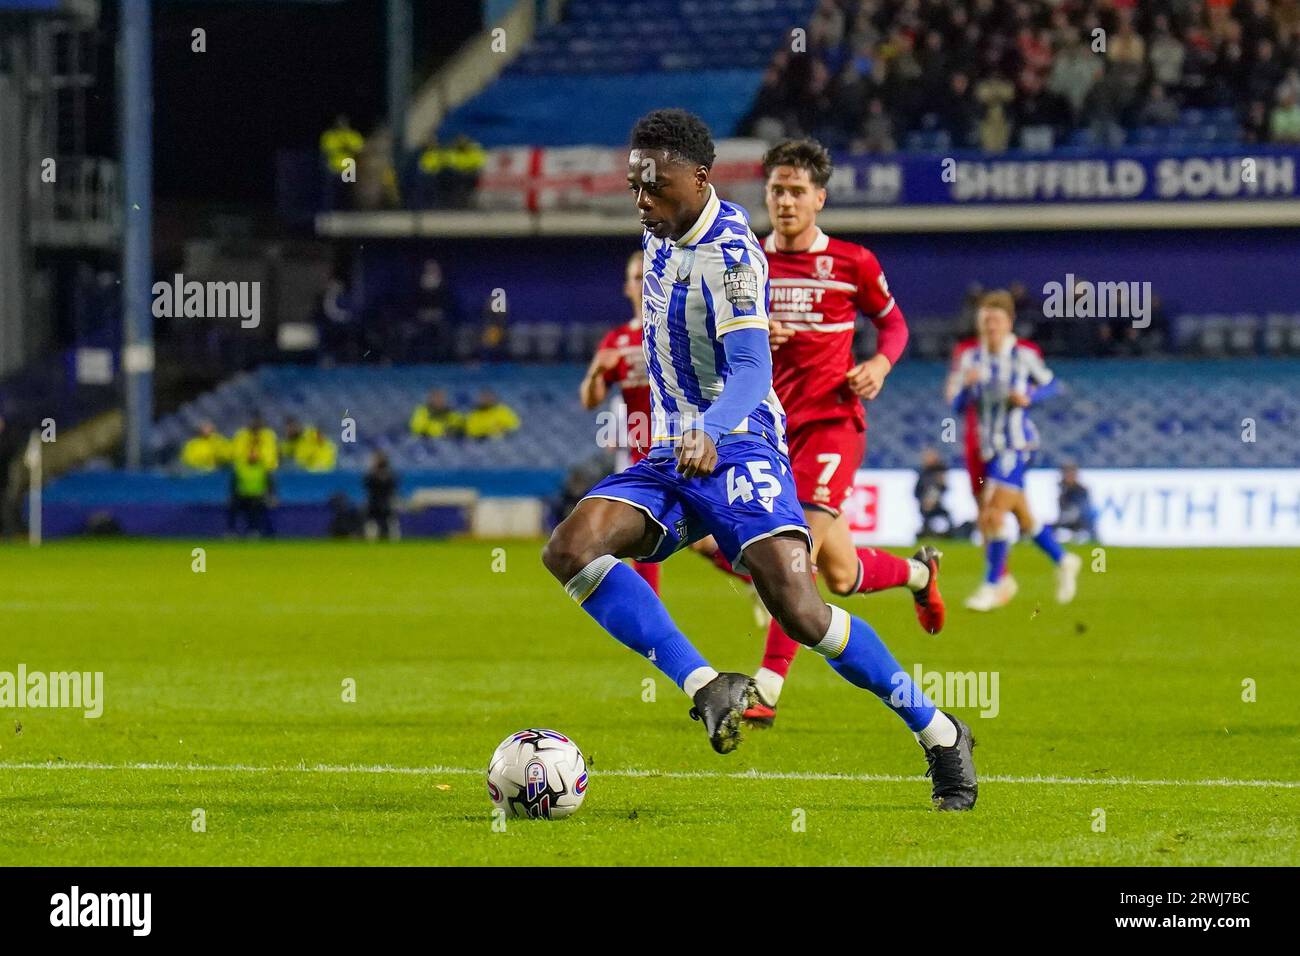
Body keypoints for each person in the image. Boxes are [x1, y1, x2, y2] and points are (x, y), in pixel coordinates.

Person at [541, 109, 977, 810]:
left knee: (802, 609)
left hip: (739, 442)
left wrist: (710, 428)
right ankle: (706, 684)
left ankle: (938, 732)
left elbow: (749, 369)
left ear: (700, 178)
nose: (641, 199)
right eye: (634, 186)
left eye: (654, 186)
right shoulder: (660, 228)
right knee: (571, 548)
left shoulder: (734, 257)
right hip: (672, 451)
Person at [742, 138, 946, 729]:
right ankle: (918, 573)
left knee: (792, 552)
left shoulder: (853, 263)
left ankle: (767, 688)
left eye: (797, 191)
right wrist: (757, 336)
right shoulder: (750, 263)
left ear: (819, 198)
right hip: (772, 431)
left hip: (833, 423)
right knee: (840, 575)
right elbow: (724, 340)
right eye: (777, 190)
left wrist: (880, 365)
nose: (785, 201)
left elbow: (894, 324)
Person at [953, 291, 1081, 612]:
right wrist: (966, 388)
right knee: (1023, 520)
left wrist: (1030, 398)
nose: (990, 327)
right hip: (988, 447)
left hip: (1018, 444)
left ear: (1008, 323)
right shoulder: (972, 360)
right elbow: (957, 407)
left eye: (995, 321)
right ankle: (1064, 559)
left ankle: (994, 584)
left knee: (992, 514)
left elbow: (1054, 385)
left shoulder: (1022, 356)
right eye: (985, 322)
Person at [227, 413, 277, 537]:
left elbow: (270, 483)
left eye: (255, 453)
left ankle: (253, 531)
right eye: (251, 453)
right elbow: (233, 483)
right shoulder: (241, 467)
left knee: (255, 507)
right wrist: (232, 495)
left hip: (257, 495)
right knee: (233, 506)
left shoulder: (263, 468)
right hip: (242, 495)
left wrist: (272, 496)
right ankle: (231, 531)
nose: (252, 455)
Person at [915, 447, 953, 538]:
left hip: (938, 505)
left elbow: (941, 488)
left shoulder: (940, 472)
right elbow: (917, 491)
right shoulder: (923, 474)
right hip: (925, 506)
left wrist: (932, 500)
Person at [1056, 462, 1096, 542]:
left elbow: (1083, 508)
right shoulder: (1062, 488)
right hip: (1066, 519)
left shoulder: (1081, 490)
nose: (1069, 476)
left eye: (1071, 473)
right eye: (1066, 473)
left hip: (1079, 521)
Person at [364, 451, 400, 541]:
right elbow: (366, 483)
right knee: (372, 525)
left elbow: (393, 487)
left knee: (388, 525)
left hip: (384, 503)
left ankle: (390, 538)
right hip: (374, 503)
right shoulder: (372, 475)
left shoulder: (390, 475)